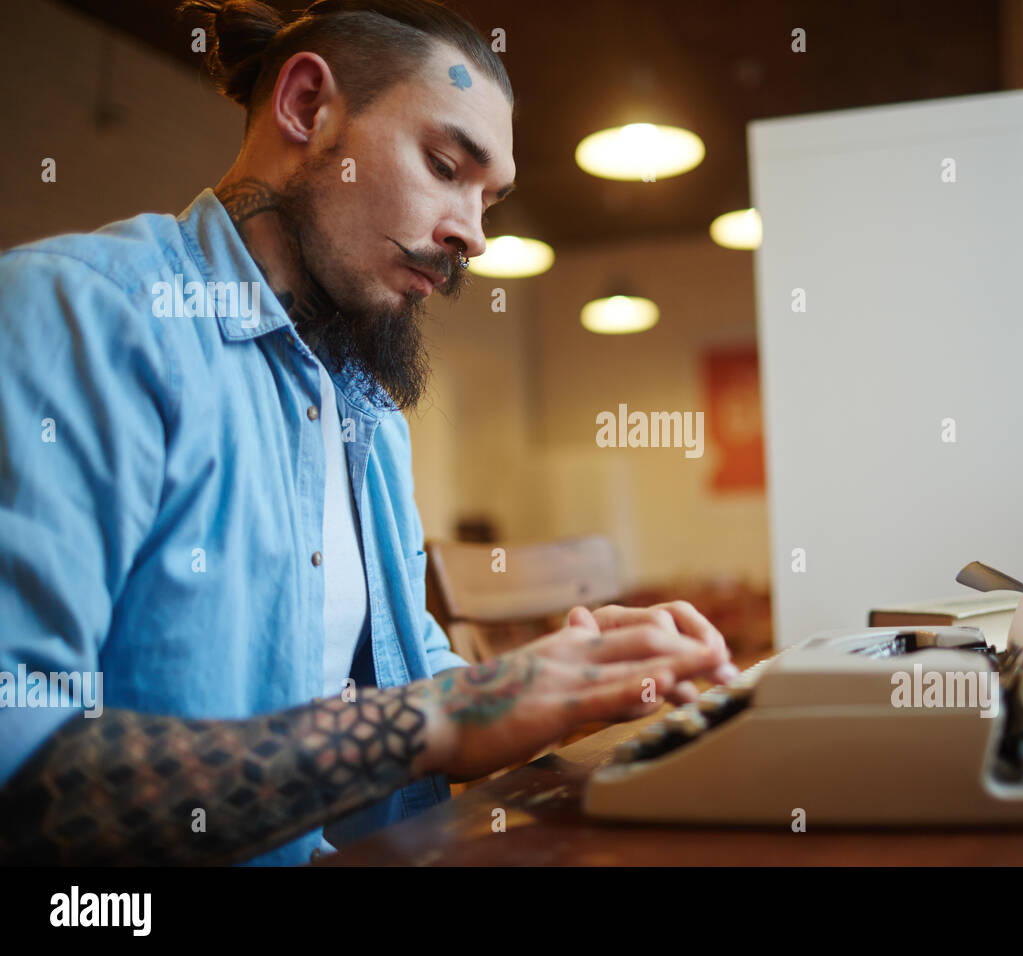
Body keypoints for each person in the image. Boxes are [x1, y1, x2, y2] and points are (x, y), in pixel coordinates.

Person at [0, 0, 737, 865]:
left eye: (489, 198)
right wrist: (443, 716)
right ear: (308, 108)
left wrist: (571, 683)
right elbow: (24, 770)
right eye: (444, 165)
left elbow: (415, 691)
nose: (476, 234)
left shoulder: (367, 413)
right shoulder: (81, 316)